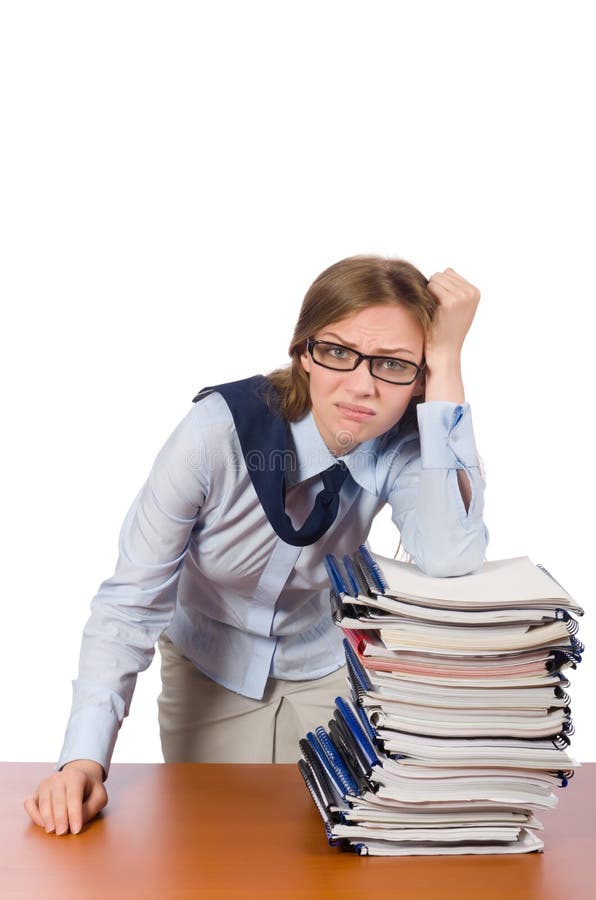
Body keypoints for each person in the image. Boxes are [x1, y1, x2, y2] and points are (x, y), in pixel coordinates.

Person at [24, 255, 488, 835]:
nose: (362, 385)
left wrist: (447, 361)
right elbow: (131, 601)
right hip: (210, 670)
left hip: (330, 671)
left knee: (337, 856)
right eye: (339, 352)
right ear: (303, 352)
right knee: (216, 849)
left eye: (394, 364)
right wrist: (82, 758)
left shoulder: (401, 448)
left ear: (418, 379)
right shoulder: (216, 433)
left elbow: (450, 557)